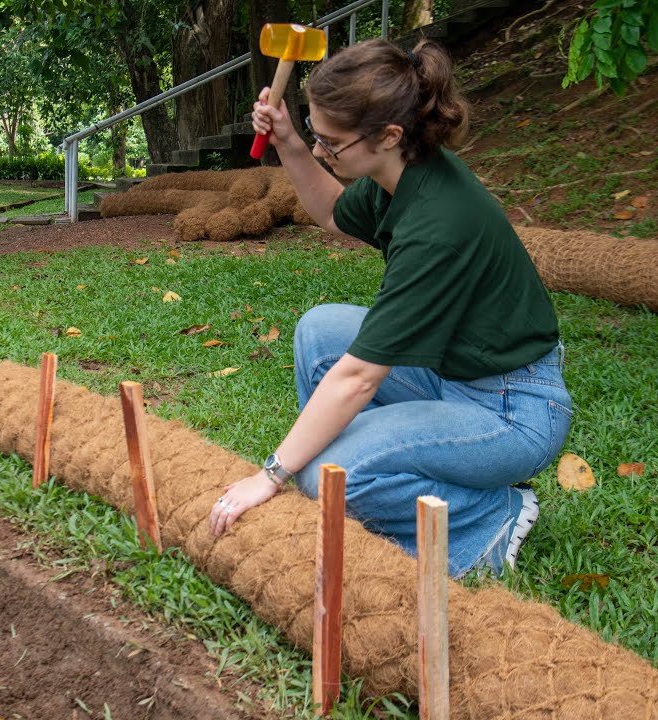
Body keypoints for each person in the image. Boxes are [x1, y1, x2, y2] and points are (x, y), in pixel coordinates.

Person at [208, 38, 572, 577]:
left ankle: (492, 513)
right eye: (315, 134)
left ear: (389, 135)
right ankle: (382, 486)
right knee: (320, 330)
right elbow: (333, 212)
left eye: (330, 143)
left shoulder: (438, 224)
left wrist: (272, 474)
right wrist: (288, 142)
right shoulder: (399, 173)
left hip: (512, 411)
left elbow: (357, 378)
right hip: (454, 375)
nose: (323, 150)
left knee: (326, 474)